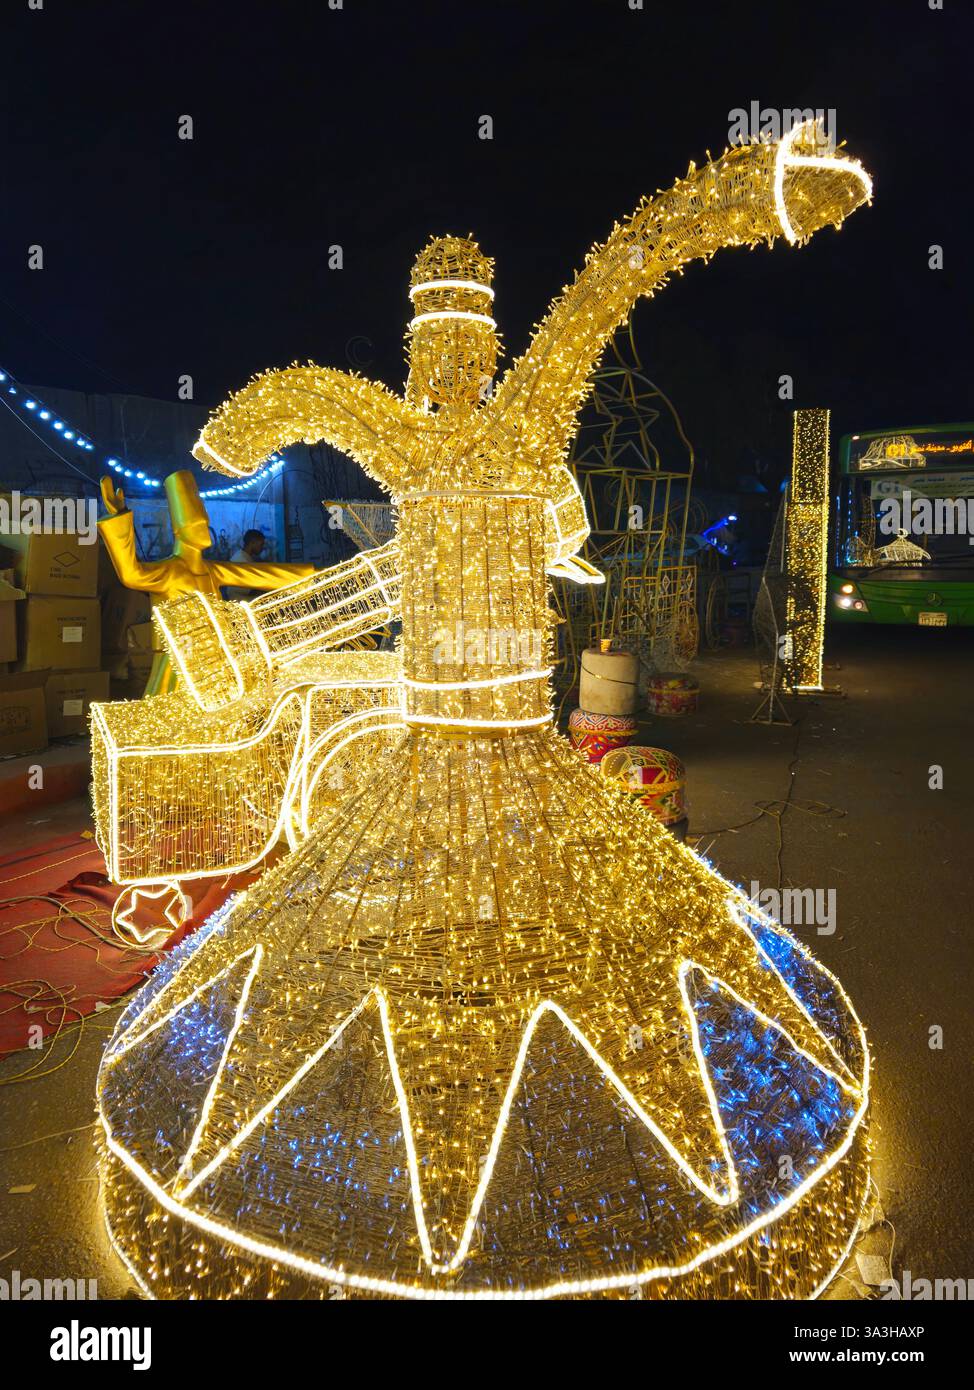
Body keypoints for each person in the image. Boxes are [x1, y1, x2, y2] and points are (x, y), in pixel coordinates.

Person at [99, 473, 313, 693]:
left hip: (215, 659)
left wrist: (314, 575)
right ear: (180, 531)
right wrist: (120, 518)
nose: (206, 529)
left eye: (205, 524)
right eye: (200, 525)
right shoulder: (169, 571)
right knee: (176, 710)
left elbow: (259, 574)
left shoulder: (212, 570)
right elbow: (131, 574)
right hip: (180, 660)